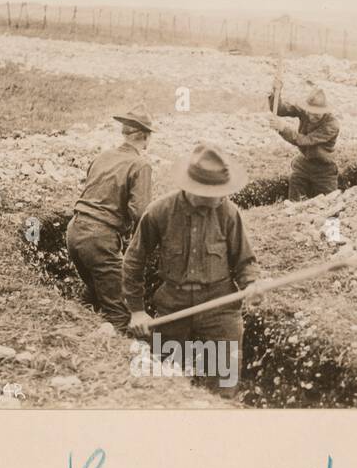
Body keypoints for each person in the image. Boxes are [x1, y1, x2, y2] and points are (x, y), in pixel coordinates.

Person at [124, 145, 262, 398]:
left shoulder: (228, 213)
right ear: (195, 189)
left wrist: (251, 284)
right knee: (167, 385)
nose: (222, 196)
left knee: (224, 386)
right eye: (215, 192)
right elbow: (134, 260)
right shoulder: (159, 212)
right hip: (173, 307)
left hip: (220, 307)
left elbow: (245, 262)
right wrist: (137, 310)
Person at [65, 109, 154, 330]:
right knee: (119, 312)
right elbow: (140, 211)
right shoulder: (140, 165)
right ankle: (119, 355)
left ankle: (72, 326)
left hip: (74, 232)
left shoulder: (103, 156)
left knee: (95, 290)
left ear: (124, 133)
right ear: (145, 137)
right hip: (99, 239)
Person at [267, 86, 340, 200]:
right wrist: (276, 92)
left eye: (316, 114)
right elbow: (280, 108)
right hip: (304, 165)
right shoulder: (304, 110)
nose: (311, 116)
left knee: (330, 207)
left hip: (324, 170)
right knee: (294, 200)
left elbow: (306, 140)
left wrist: (283, 128)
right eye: (310, 112)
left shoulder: (332, 125)